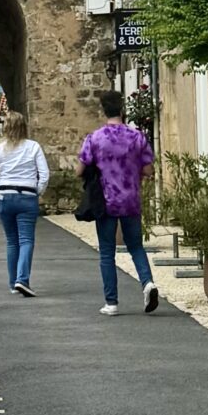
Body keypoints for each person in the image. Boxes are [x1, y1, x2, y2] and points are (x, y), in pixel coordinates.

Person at [79, 90, 161, 318]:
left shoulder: (95, 138)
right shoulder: (137, 138)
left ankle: (112, 302)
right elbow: (148, 169)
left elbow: (80, 168)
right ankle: (147, 283)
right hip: (130, 199)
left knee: (107, 251)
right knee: (135, 246)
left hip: (105, 200)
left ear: (103, 110)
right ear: (122, 110)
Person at [0, 110, 50, 295]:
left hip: (5, 197)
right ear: (23, 127)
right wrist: (37, 191)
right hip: (27, 196)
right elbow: (44, 175)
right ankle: (23, 279)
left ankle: (13, 283)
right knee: (26, 239)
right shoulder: (33, 147)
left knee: (12, 241)